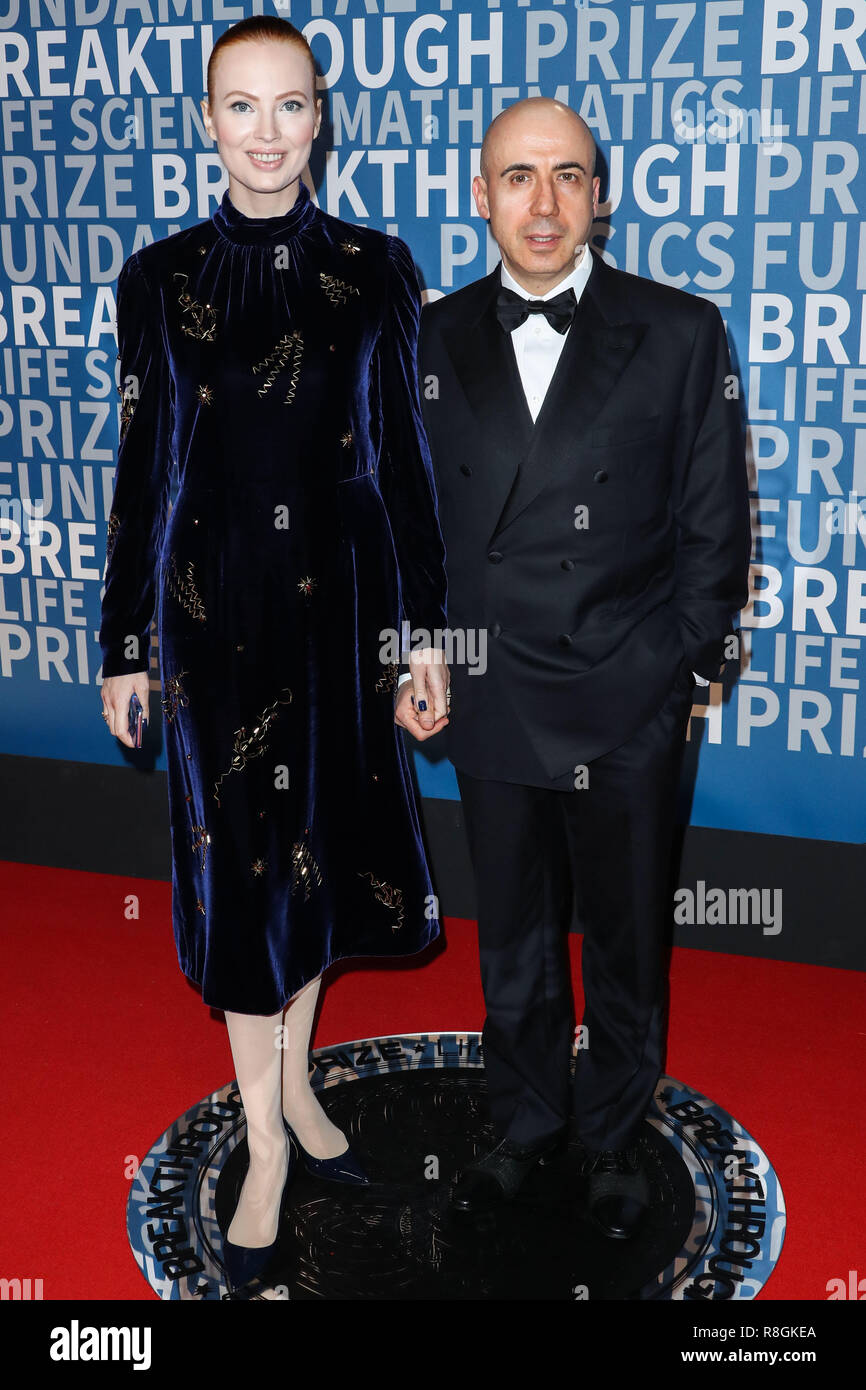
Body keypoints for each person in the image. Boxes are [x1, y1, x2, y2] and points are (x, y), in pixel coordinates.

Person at [99, 15, 449, 1295]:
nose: (264, 131)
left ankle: (297, 1088)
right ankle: (262, 1147)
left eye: (287, 105)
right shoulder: (156, 278)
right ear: (206, 120)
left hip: (343, 614)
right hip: (210, 621)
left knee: (315, 863)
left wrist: (430, 637)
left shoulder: (378, 269)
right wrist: (124, 635)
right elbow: (142, 469)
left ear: (320, 115)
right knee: (245, 875)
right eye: (238, 107)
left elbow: (407, 470)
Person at [410, 97, 751, 1238]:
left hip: (624, 697)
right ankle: (523, 1124)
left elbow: (715, 535)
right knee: (508, 932)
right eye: (516, 177)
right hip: (492, 690)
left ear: (599, 194)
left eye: (566, 177)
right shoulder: (428, 334)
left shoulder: (679, 329)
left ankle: (610, 1130)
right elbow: (408, 525)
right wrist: (421, 651)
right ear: (479, 195)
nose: (542, 204)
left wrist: (667, 674)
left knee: (623, 935)